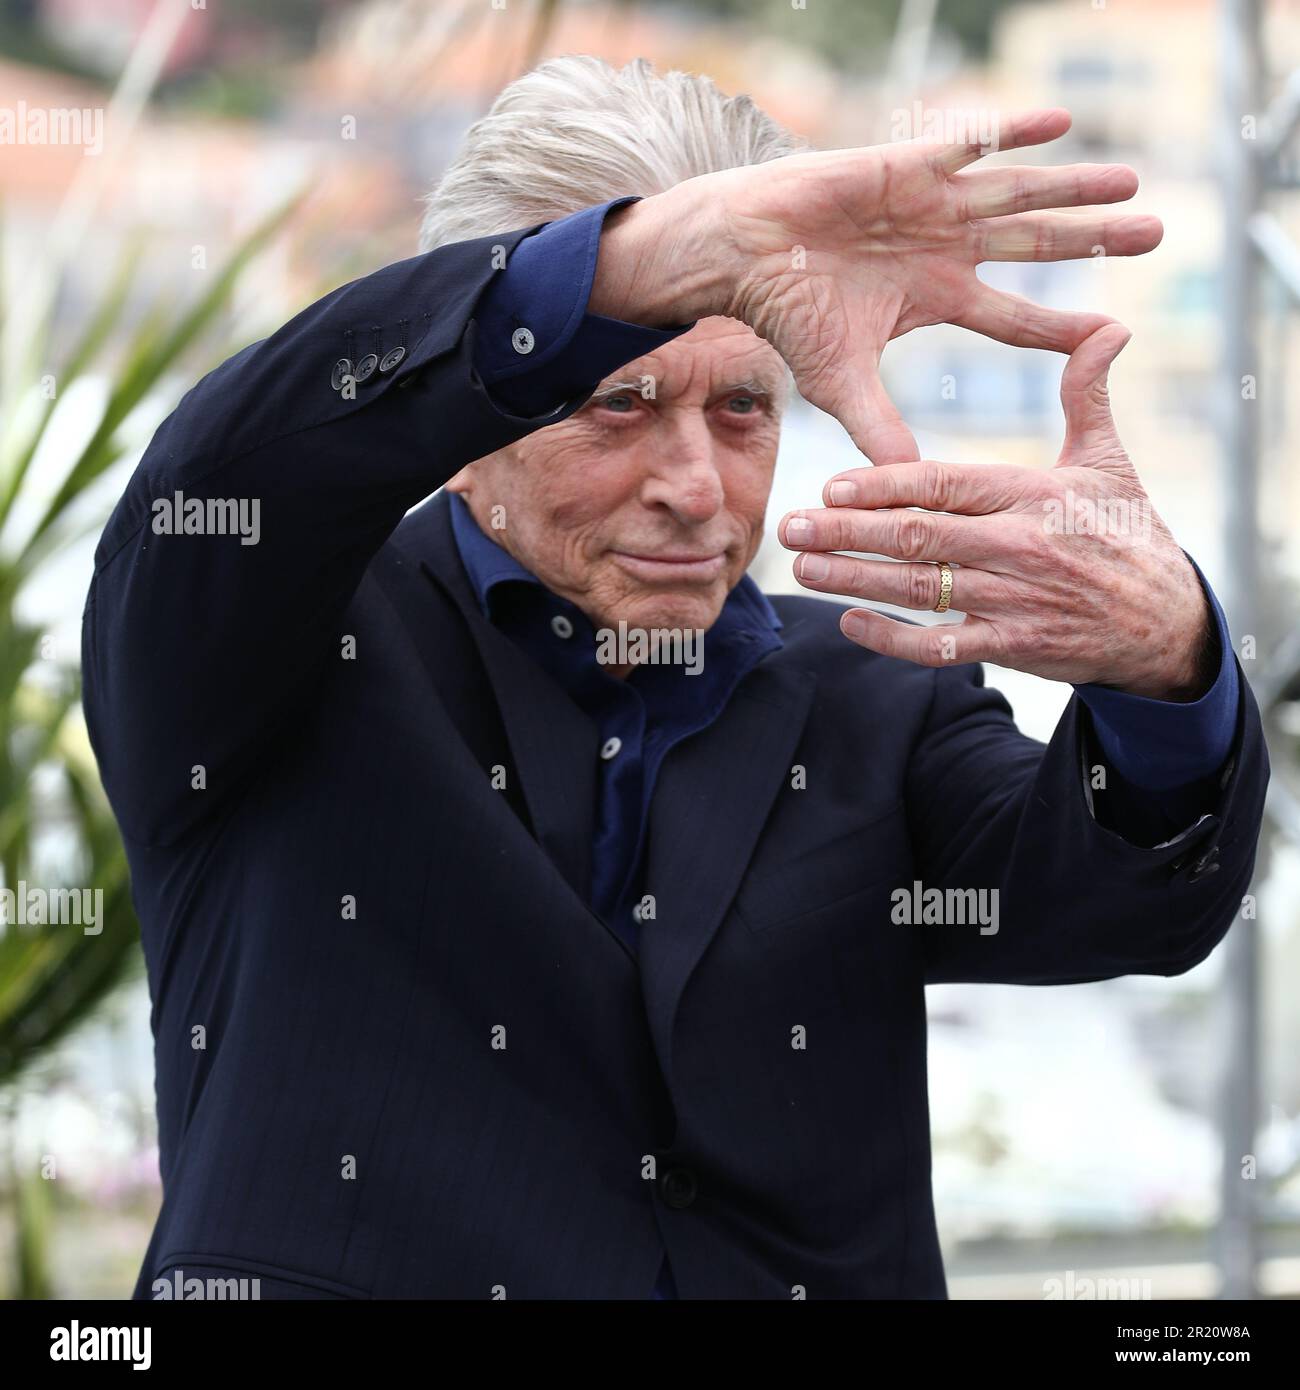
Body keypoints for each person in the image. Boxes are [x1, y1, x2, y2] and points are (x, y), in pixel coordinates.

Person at [83, 56, 1266, 1300]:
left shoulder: (869, 685)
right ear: (472, 412)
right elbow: (224, 477)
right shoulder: (274, 642)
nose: (695, 486)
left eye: (745, 408)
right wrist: (650, 257)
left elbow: (1130, 901)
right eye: (618, 403)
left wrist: (1165, 662)